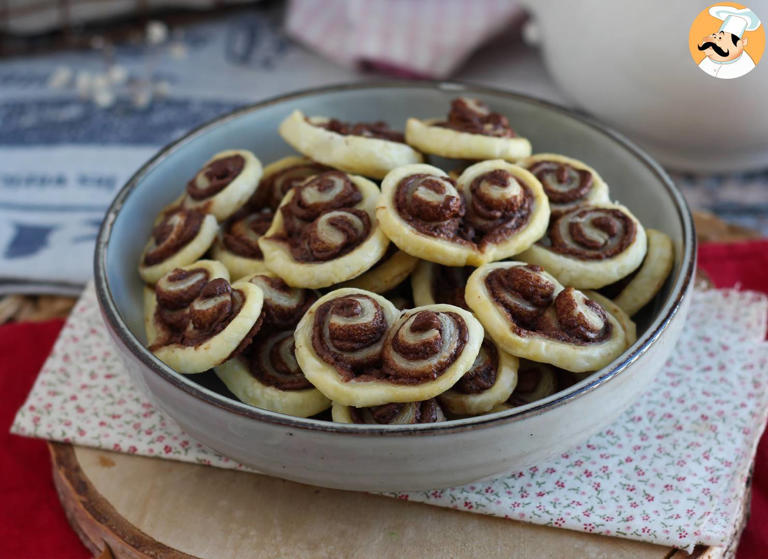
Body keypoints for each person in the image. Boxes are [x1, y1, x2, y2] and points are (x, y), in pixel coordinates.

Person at [698, 6, 762, 79]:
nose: (713, 40)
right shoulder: (706, 62)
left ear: (741, 43)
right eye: (714, 35)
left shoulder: (745, 67)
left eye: (720, 38)